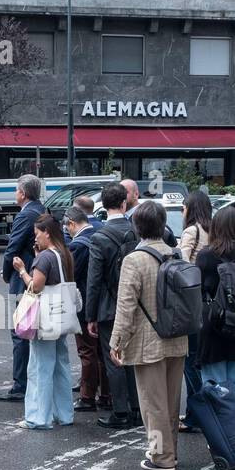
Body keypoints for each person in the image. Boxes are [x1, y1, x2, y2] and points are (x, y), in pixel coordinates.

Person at [109, 201, 189, 470]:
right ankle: (170, 451)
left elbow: (126, 306)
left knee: (152, 405)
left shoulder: (135, 260)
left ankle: (160, 457)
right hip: (177, 338)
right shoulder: (177, 254)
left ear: (137, 226)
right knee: (170, 402)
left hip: (148, 341)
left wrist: (117, 341)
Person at [84, 182, 141, 428]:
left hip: (109, 307)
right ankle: (137, 408)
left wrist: (90, 316)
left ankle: (120, 412)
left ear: (104, 206)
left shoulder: (99, 237)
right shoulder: (137, 231)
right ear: (124, 203)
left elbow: (93, 280)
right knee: (133, 357)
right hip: (137, 304)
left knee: (114, 358)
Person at [12, 214, 75, 430]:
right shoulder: (65, 253)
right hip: (62, 315)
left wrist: (22, 270)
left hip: (46, 318)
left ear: (46, 232)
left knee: (40, 367)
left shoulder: (45, 257)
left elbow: (35, 287)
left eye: (37, 234)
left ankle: (38, 417)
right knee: (61, 365)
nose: (35, 238)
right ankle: (64, 413)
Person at [196, 205, 235, 401]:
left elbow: (198, 292)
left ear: (215, 227)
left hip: (212, 329)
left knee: (214, 388)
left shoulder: (205, 255)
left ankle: (218, 429)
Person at [0, 174, 45, 402]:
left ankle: (20, 385)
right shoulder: (42, 210)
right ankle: (30, 379)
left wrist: (7, 274)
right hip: (39, 274)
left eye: (16, 190)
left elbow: (12, 248)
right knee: (34, 331)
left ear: (23, 193)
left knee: (20, 330)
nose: (15, 193)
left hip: (23, 277)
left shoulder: (26, 215)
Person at [64, 204, 109, 412]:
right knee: (101, 351)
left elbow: (71, 276)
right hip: (104, 302)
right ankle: (106, 394)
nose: (67, 230)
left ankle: (87, 396)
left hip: (84, 305)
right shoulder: (98, 235)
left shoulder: (78, 245)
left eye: (67, 227)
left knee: (87, 351)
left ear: (72, 223)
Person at [178, 189, 213, 432]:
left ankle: (196, 414)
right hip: (212, 301)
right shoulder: (215, 230)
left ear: (191, 209)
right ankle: (204, 411)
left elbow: (182, 264)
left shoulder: (192, 231)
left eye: (183, 207)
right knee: (204, 361)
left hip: (193, 302)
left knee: (190, 361)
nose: (182, 211)